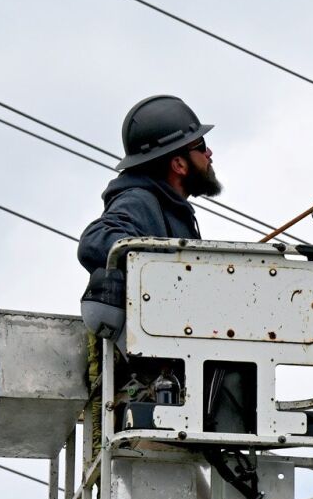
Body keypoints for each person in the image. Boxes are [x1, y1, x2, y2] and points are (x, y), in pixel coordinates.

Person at [78, 95, 221, 339]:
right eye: (200, 145)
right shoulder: (140, 200)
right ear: (179, 164)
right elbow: (94, 240)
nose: (208, 152)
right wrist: (168, 264)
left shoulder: (171, 209)